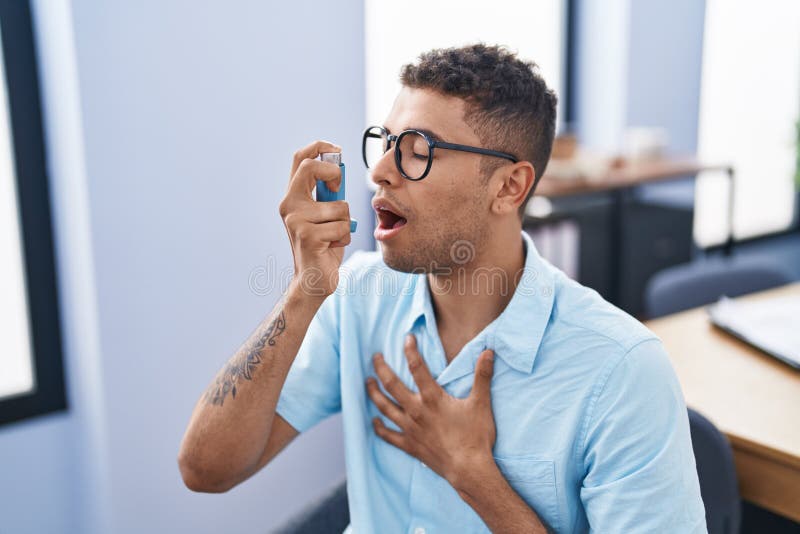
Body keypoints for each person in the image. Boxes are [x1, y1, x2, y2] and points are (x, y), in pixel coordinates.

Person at [178, 43, 707, 533]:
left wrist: (473, 474)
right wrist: (305, 291)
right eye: (384, 144)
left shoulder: (621, 372)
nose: (380, 172)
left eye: (417, 149)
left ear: (509, 186)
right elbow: (205, 469)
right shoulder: (358, 295)